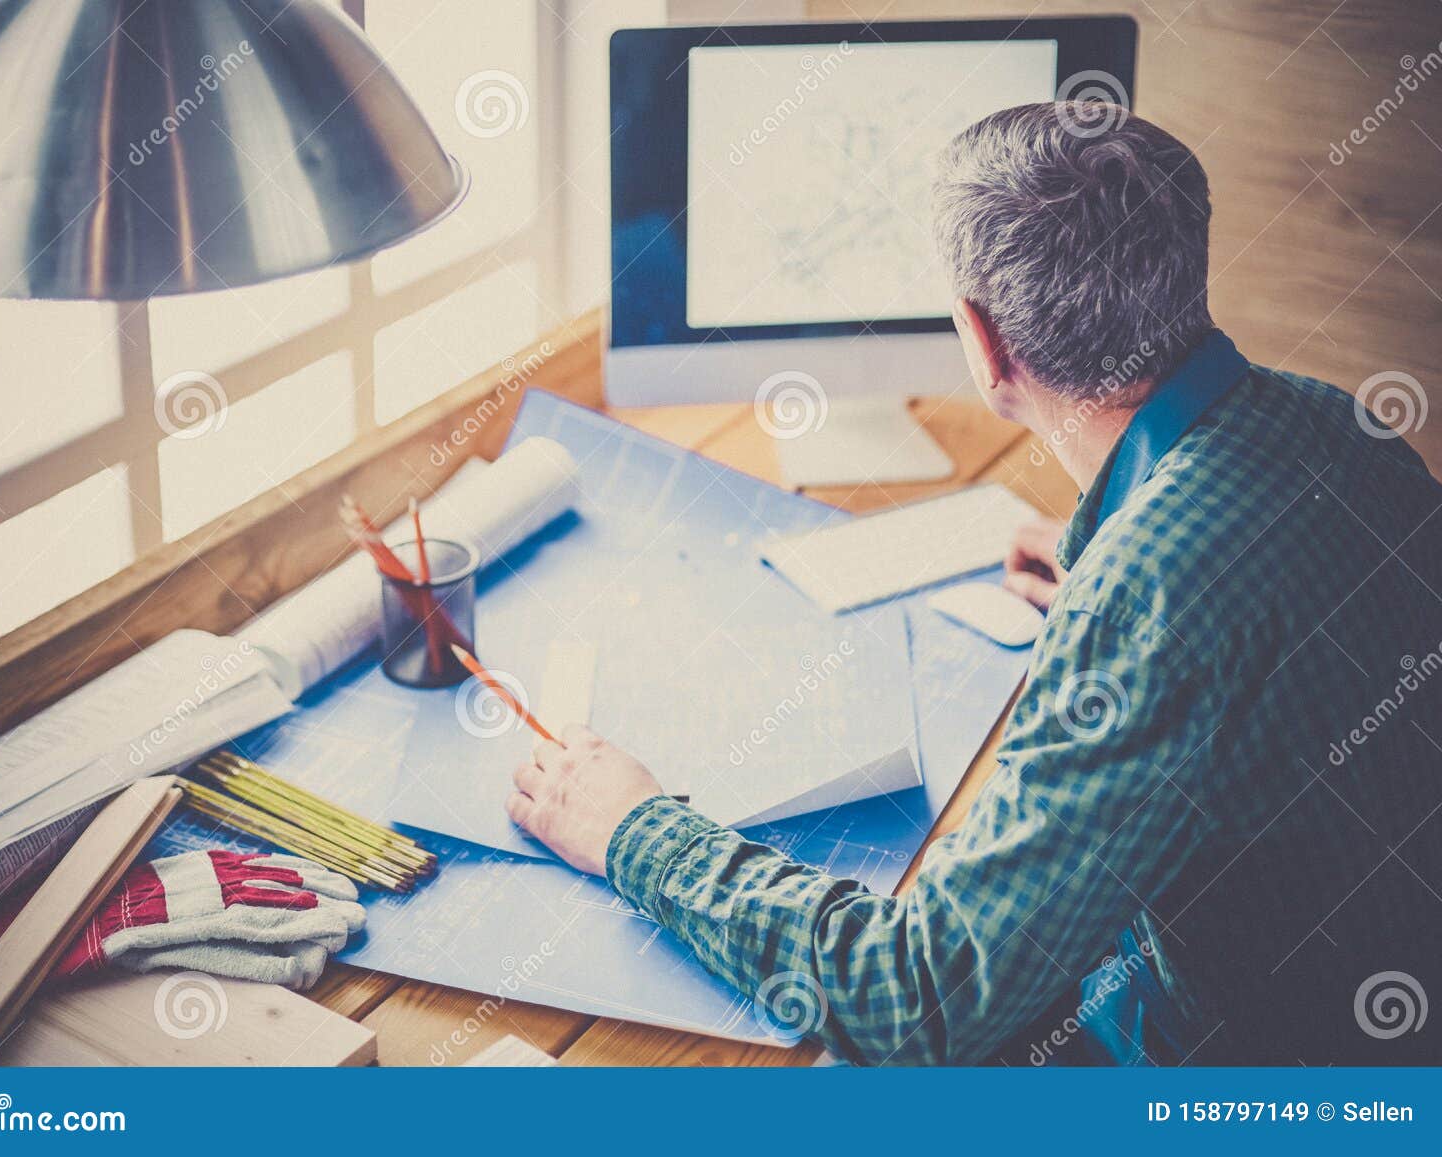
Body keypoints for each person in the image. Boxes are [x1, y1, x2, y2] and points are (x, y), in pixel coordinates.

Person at [503, 103, 1442, 1065]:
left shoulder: (1146, 597)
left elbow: (918, 1004)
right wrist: (1108, 567)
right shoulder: (1343, 426)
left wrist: (634, 828)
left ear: (985, 345)